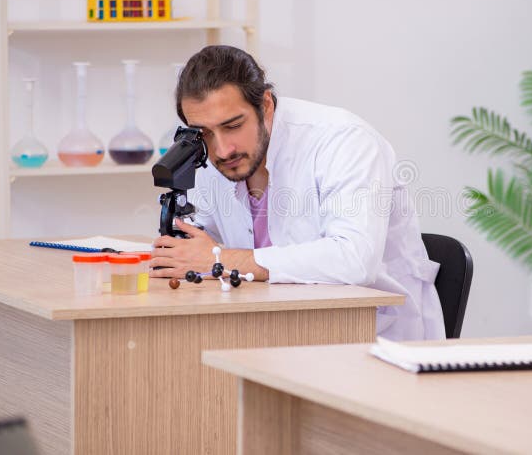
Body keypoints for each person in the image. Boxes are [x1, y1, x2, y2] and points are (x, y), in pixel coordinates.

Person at [150, 45, 445, 340]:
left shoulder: (343, 140)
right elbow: (201, 239)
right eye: (205, 133)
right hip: (275, 331)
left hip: (372, 341)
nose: (222, 149)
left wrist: (221, 259)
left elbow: (354, 259)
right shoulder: (214, 154)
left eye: (234, 125)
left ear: (265, 105)